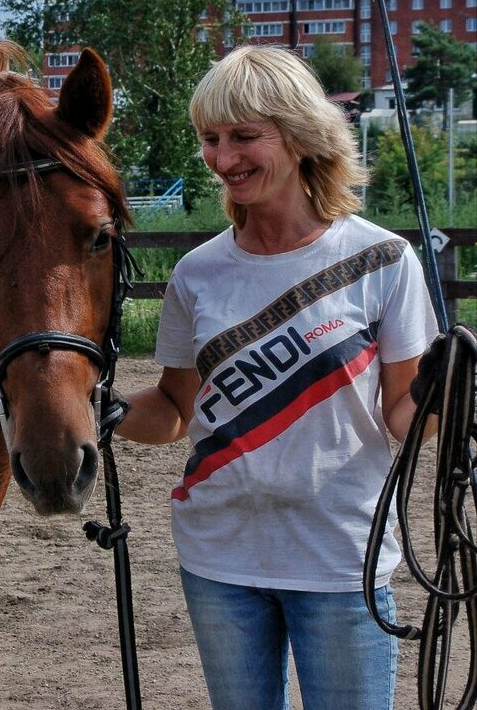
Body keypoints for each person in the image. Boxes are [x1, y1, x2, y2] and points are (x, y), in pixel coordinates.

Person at [116, 44, 439, 710]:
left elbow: (402, 413)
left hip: (339, 560)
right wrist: (94, 410)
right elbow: (174, 412)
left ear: (297, 138)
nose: (223, 158)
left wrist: (455, 400)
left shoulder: (381, 259)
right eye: (210, 139)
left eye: (243, 137)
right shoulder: (196, 275)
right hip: (218, 561)